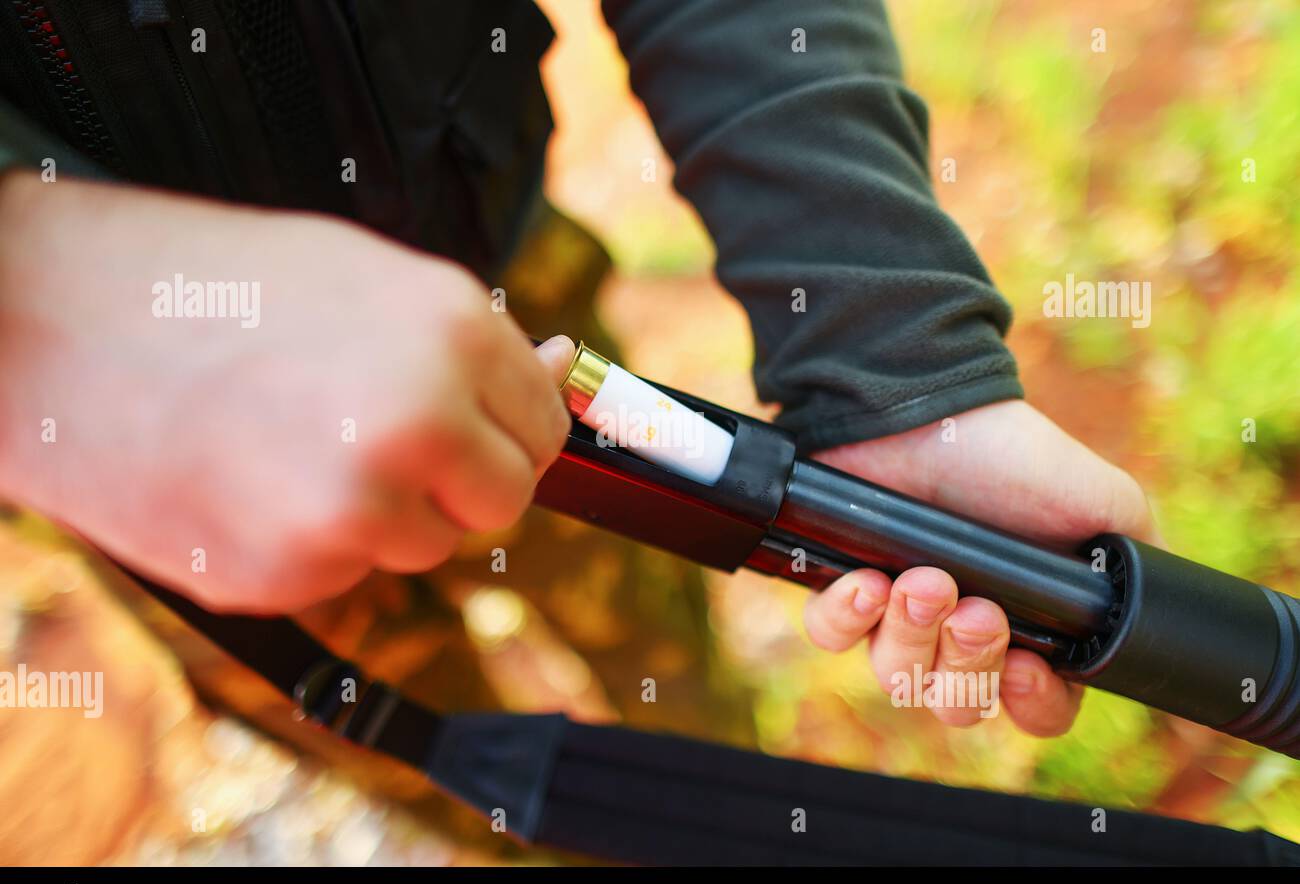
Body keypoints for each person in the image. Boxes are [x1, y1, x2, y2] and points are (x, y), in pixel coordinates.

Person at [0, 0, 1156, 740]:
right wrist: (37, 298)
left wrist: (897, 364)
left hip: (516, 326)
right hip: (147, 476)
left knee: (662, 657)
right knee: (411, 743)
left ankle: (707, 775)